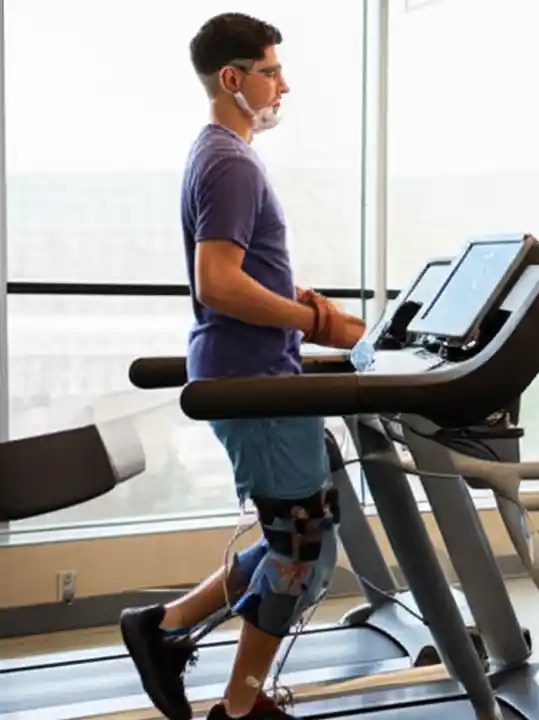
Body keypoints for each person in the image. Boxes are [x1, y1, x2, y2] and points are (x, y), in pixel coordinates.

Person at [118, 13, 365, 720]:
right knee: (302, 547)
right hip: (252, 379)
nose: (284, 84)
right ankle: (241, 705)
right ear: (234, 79)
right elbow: (218, 284)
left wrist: (307, 307)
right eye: (272, 70)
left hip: (261, 371)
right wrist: (313, 321)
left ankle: (163, 627)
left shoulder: (222, 154)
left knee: (303, 531)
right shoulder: (228, 159)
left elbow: (242, 273)